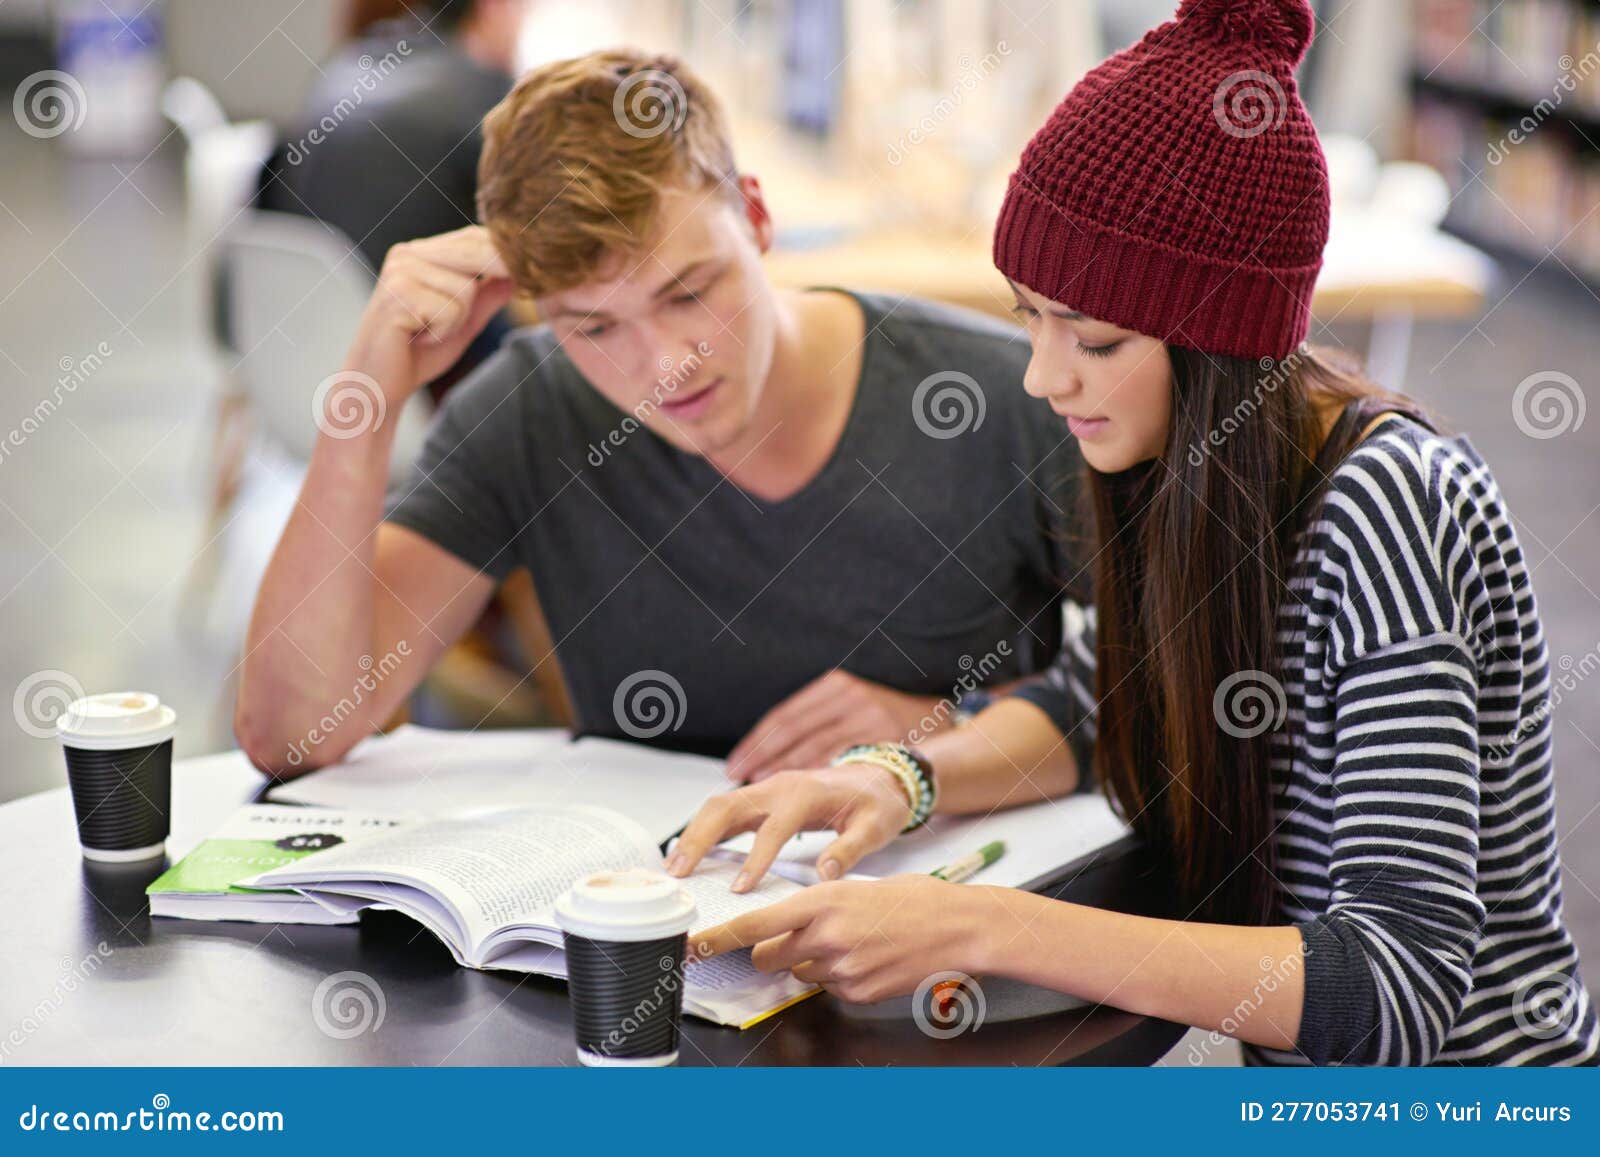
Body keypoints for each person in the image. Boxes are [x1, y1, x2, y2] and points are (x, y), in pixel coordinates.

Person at [677, 0, 1599, 1067]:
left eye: (1096, 337)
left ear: (1222, 347)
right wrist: (894, 777)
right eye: (1029, 315)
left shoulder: (1390, 507)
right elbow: (1095, 696)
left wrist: (973, 924)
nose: (1042, 374)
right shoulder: (1172, 455)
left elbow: (1394, 989)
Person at [234, 50, 1084, 782]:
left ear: (755, 218)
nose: (664, 362)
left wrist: (948, 729)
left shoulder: (1001, 395)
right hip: (658, 936)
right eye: (593, 325)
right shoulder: (531, 412)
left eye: (689, 292)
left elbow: (1176, 710)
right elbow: (295, 735)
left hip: (940, 921)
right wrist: (367, 403)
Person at [258, 0, 529, 395]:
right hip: (407, 374)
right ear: (493, 9)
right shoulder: (482, 91)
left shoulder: (344, 65)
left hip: (287, 354)